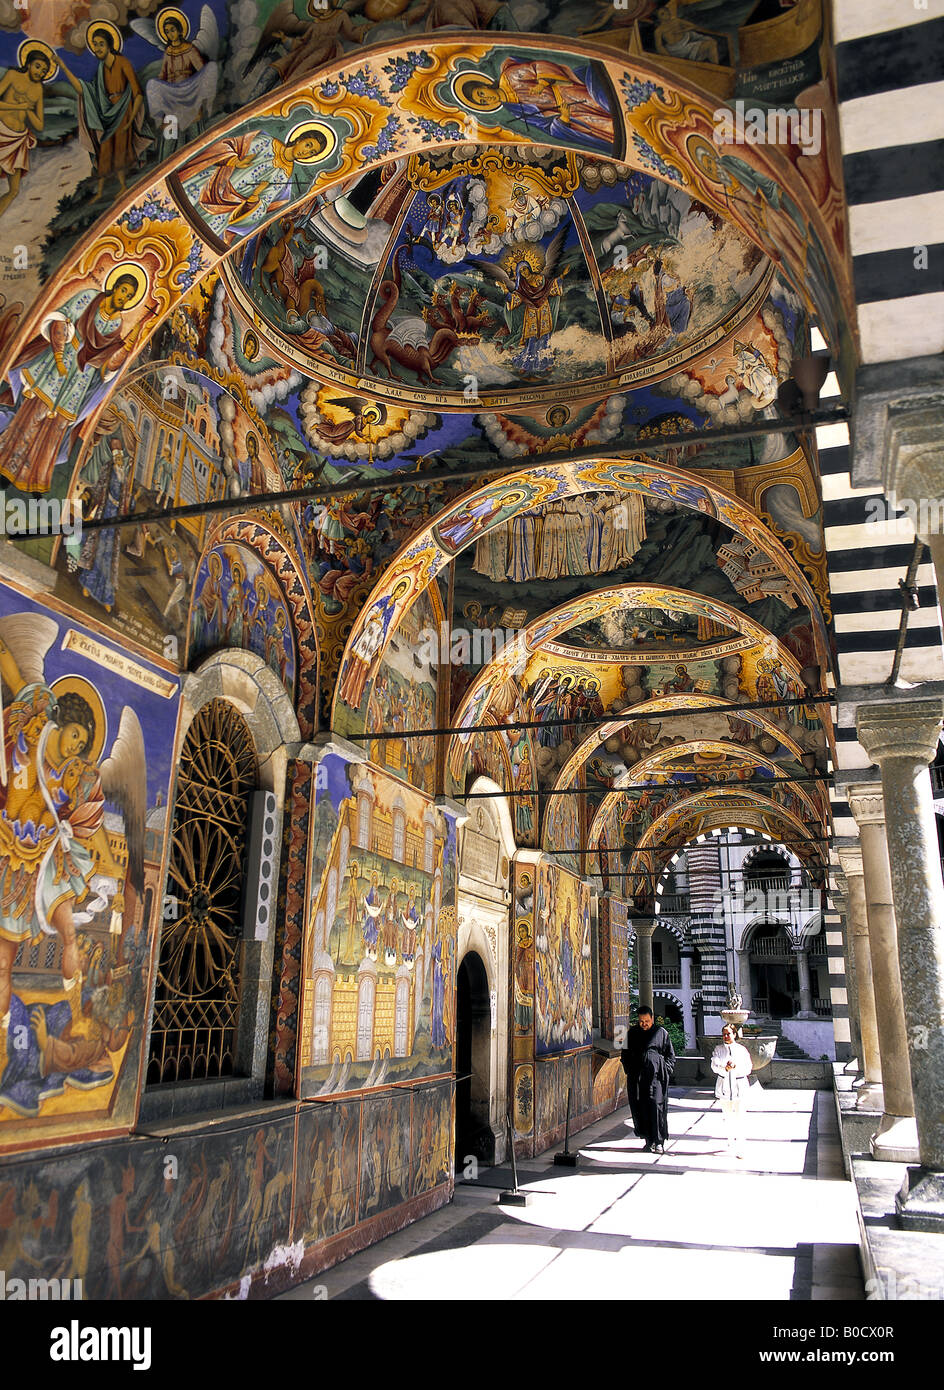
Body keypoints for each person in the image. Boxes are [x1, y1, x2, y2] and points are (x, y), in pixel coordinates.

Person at [621, 1005, 675, 1152]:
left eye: (647, 1021)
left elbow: (670, 1055)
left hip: (657, 1079)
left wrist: (665, 1070)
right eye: (641, 1021)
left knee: (656, 1107)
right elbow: (624, 1054)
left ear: (652, 1019)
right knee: (641, 1107)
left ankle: (659, 1141)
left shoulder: (661, 1033)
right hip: (638, 1079)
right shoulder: (631, 1033)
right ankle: (648, 1139)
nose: (644, 1024)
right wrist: (630, 1070)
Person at [710, 1023, 753, 1158]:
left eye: (728, 1034)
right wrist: (725, 1067)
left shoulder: (742, 1050)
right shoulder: (718, 1049)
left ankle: (741, 1146)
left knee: (740, 1116)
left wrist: (735, 1066)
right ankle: (730, 1142)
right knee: (728, 1117)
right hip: (724, 1088)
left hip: (739, 1087)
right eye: (724, 1034)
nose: (726, 1036)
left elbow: (748, 1067)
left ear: (734, 1034)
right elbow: (714, 1065)